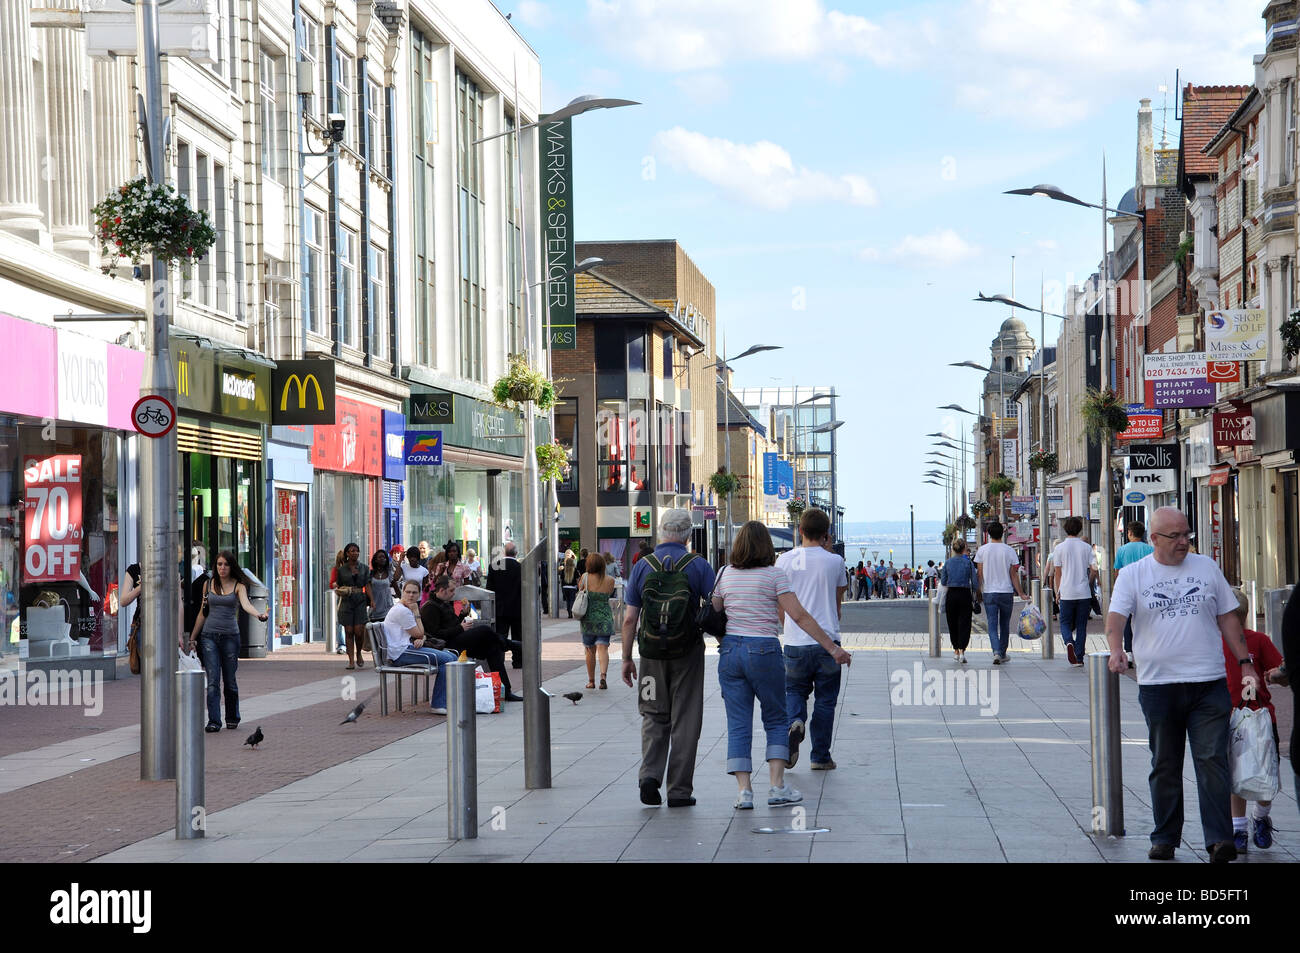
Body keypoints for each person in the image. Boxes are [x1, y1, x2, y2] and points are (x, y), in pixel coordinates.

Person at [1106, 506, 1259, 863]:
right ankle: (1165, 838)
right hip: (1159, 685)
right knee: (1165, 762)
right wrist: (1116, 651)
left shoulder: (1206, 567)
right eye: (1174, 536)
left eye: (1186, 534)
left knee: (1212, 761)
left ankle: (1220, 840)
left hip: (1208, 682)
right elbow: (1115, 618)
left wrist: (1246, 663)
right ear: (1154, 539)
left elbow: (1227, 617)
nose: (1183, 542)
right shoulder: (1133, 574)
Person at [714, 520, 850, 809]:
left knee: (738, 724)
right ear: (766, 545)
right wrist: (832, 648)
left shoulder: (724, 574)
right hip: (764, 650)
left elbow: (714, 612)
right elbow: (799, 617)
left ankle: (744, 792)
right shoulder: (774, 576)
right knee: (776, 718)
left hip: (731, 651)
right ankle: (776, 787)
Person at [620, 508, 715, 808]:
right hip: (687, 653)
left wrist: (626, 657)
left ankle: (649, 776)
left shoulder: (642, 565)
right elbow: (716, 608)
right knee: (685, 719)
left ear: (661, 532)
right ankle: (679, 791)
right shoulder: (698, 565)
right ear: (688, 536)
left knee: (653, 713)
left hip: (649, 656)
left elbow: (629, 619)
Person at [777, 509, 850, 772]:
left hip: (795, 641)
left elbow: (779, 602)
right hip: (827, 641)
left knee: (794, 691)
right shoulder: (835, 562)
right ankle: (820, 756)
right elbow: (838, 600)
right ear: (826, 534)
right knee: (825, 700)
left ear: (799, 531)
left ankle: (795, 721)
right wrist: (828, 551)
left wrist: (788, 627)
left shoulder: (783, 561)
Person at [1221, 589, 1286, 853]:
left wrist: (1274, 675)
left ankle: (1261, 817)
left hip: (1260, 717)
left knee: (1266, 771)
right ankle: (1238, 829)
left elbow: (1280, 668)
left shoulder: (1258, 641)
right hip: (1230, 717)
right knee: (1236, 775)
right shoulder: (1216, 642)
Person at [188, 550, 268, 732]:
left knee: (230, 680)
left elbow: (246, 605)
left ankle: (232, 717)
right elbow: (203, 611)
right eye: (219, 564)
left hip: (230, 637)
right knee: (213, 680)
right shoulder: (208, 584)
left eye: (226, 564)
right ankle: (214, 721)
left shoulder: (239, 586)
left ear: (231, 566)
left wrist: (259, 615)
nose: (222, 568)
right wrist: (193, 637)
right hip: (209, 637)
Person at [421, 574, 522, 701]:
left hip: (457, 639)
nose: (454, 594)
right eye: (452, 590)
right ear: (442, 590)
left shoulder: (445, 603)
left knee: (494, 648)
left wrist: (463, 614)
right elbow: (436, 635)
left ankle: (506, 691)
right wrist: (461, 628)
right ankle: (510, 645)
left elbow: (452, 625)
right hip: (448, 646)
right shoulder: (430, 607)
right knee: (485, 630)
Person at [384, 579, 457, 715]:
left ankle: (444, 700)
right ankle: (439, 703)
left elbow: (419, 635)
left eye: (414, 593)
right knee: (449, 659)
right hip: (400, 653)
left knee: (452, 656)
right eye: (408, 592)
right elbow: (419, 632)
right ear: (402, 593)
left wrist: (421, 638)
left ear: (419, 595)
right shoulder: (403, 611)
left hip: (407, 648)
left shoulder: (405, 609)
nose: (411, 595)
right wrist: (417, 612)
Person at [974, 521, 1026, 664]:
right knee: (1004, 624)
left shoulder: (982, 551)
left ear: (989, 534)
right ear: (1002, 533)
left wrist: (978, 590)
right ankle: (1002, 653)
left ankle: (996, 652)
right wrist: (1021, 593)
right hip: (1006, 592)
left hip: (989, 592)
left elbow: (979, 574)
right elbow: (1013, 575)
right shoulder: (1009, 550)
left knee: (992, 624)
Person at [1052, 516, 1098, 667]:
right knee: (1081, 625)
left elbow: (1058, 573)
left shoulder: (1059, 548)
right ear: (1080, 530)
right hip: (1084, 592)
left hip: (1066, 592)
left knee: (1064, 622)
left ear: (1065, 530)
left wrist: (1058, 592)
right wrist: (1091, 582)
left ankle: (1068, 642)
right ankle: (1079, 657)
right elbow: (1094, 568)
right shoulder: (1087, 548)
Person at [1113, 520, 1154, 659]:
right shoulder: (1150, 549)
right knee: (1145, 619)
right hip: (1146, 589)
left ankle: (1129, 651)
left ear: (1130, 533)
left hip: (1128, 589)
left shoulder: (1122, 550)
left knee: (1127, 621)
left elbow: (1117, 571)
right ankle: (1146, 647)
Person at [577, 553, 617, 689]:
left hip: (588, 618)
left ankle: (591, 681)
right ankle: (603, 676)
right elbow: (610, 594)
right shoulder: (610, 580)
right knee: (603, 648)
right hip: (605, 618)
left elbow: (580, 590)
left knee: (589, 650)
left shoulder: (585, 577)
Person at [332, 543, 372, 670]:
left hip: (360, 599)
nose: (354, 553)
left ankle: (358, 653)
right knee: (348, 631)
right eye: (351, 551)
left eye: (356, 551)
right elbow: (337, 585)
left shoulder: (364, 568)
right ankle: (350, 661)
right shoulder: (342, 569)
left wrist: (372, 600)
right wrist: (340, 589)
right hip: (346, 601)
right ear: (347, 554)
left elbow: (368, 585)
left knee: (359, 631)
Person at [940, 539, 977, 663]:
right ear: (963, 549)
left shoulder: (948, 563)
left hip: (952, 594)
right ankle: (962, 651)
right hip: (965, 594)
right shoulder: (968, 563)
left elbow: (943, 581)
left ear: (953, 549)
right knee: (964, 623)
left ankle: (955, 649)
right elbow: (975, 583)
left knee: (952, 622)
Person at [488, 541, 523, 668]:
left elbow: (489, 589)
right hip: (517, 608)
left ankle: (498, 661)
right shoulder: (521, 567)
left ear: (503, 552)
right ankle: (518, 662)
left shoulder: (493, 566)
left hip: (500, 609)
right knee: (518, 636)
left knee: (500, 636)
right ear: (516, 553)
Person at [368, 549, 398, 623]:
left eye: (384, 557)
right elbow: (367, 587)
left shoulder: (389, 573)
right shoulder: (371, 574)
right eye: (380, 557)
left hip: (388, 608)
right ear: (375, 560)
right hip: (375, 609)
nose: (382, 559)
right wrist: (371, 600)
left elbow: (396, 588)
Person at [560, 552, 580, 618]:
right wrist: (578, 587)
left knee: (568, 601)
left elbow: (561, 579)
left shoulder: (563, 570)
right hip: (573, 587)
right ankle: (571, 612)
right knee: (572, 600)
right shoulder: (575, 570)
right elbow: (578, 579)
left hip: (565, 587)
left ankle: (569, 613)